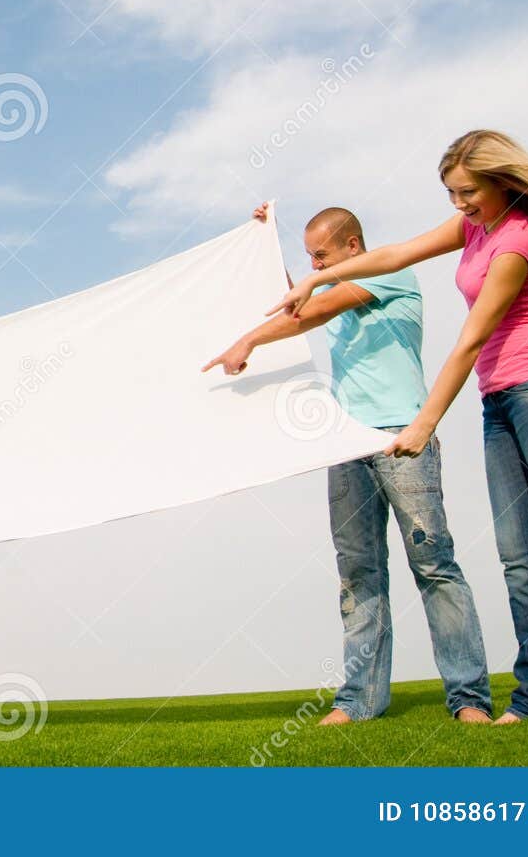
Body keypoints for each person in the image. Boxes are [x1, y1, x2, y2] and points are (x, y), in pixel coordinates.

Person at [272, 131, 528, 724]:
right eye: (452, 195)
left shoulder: (519, 239)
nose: (459, 206)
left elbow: (472, 338)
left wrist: (425, 422)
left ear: (501, 182)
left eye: (466, 193)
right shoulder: (476, 228)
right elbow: (396, 253)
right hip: (499, 402)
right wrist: (311, 278)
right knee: (519, 558)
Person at [206, 204, 492, 724]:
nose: (315, 266)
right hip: (345, 447)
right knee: (359, 575)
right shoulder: (330, 287)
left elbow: (311, 309)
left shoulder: (390, 273)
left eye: (322, 256)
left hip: (403, 437)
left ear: (352, 247)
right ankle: (360, 701)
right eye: (310, 258)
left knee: (433, 565)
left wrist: (248, 339)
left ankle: (468, 698)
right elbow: (301, 300)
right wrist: (263, 240)